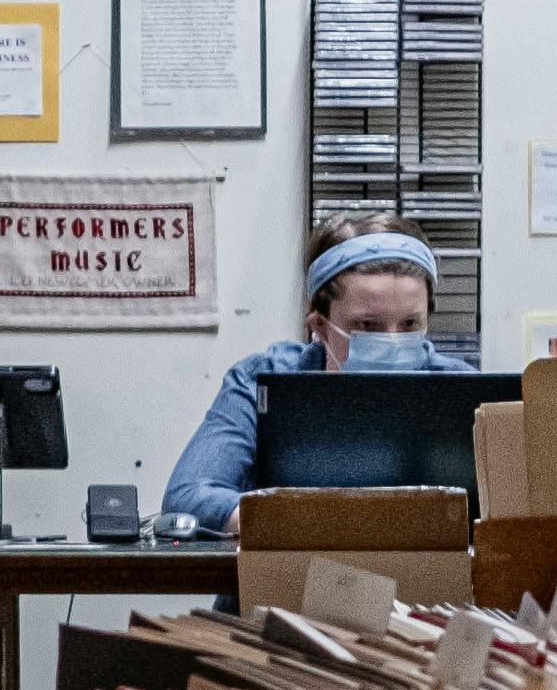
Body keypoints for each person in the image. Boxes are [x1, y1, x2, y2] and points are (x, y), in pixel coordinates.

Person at [160, 229, 466, 536]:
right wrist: (327, 524)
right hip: (291, 564)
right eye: (367, 324)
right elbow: (188, 498)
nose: (391, 340)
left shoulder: (461, 389)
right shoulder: (262, 379)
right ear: (319, 325)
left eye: (410, 323)